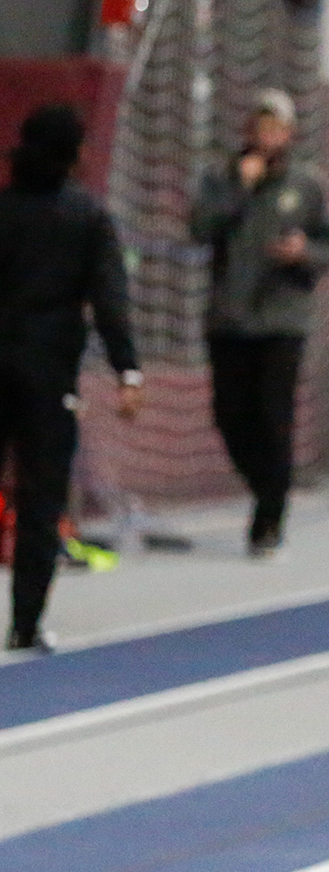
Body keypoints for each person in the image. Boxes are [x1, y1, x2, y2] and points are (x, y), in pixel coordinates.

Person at [0, 104, 142, 653]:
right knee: (40, 500)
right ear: (72, 155)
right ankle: (26, 623)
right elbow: (110, 300)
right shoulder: (87, 217)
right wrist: (128, 368)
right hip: (47, 376)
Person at [188, 88, 329, 558]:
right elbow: (199, 228)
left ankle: (269, 517)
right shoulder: (221, 177)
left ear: (290, 134)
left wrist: (304, 254)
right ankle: (267, 486)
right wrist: (239, 188)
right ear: (248, 131)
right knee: (230, 415)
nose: (268, 136)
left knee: (274, 416)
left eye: (277, 128)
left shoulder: (307, 185)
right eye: (261, 127)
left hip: (282, 319)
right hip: (230, 317)